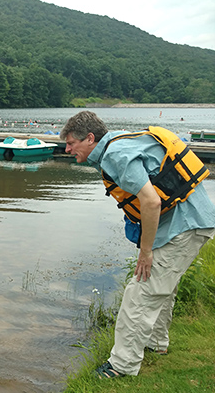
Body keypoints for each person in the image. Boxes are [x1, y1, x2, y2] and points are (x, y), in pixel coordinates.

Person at [60, 111, 215, 379]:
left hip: (183, 225)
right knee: (161, 288)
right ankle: (156, 344)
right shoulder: (120, 142)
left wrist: (145, 252)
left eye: (72, 143)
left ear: (90, 138)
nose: (67, 149)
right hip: (190, 221)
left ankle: (121, 366)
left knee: (140, 293)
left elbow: (151, 201)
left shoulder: (115, 155)